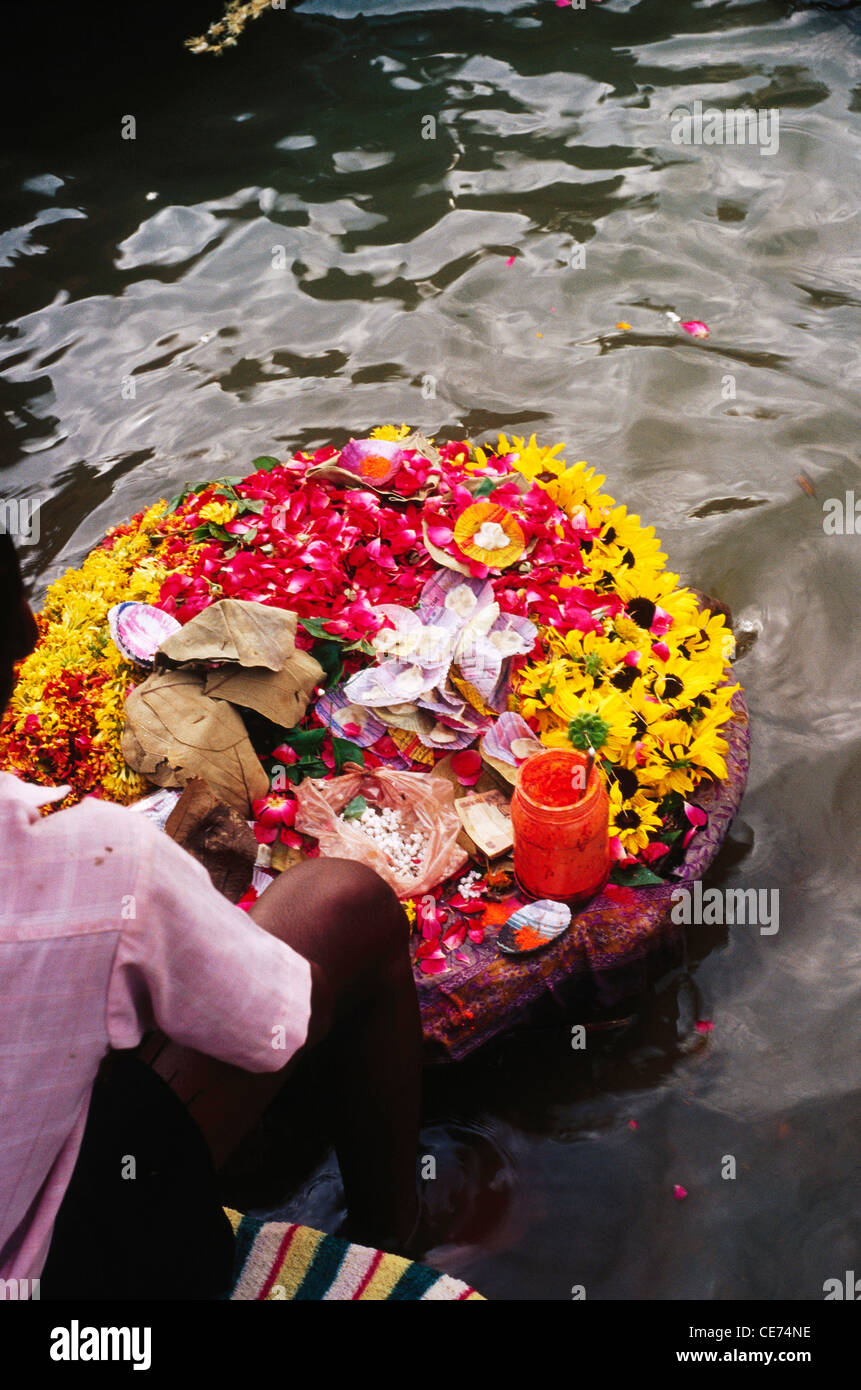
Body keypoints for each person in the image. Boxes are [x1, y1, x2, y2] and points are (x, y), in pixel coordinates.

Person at [0, 532, 423, 1299]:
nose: (31, 630)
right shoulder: (82, 852)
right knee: (343, 901)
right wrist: (188, 909)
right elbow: (280, 1021)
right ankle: (397, 1233)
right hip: (65, 1282)